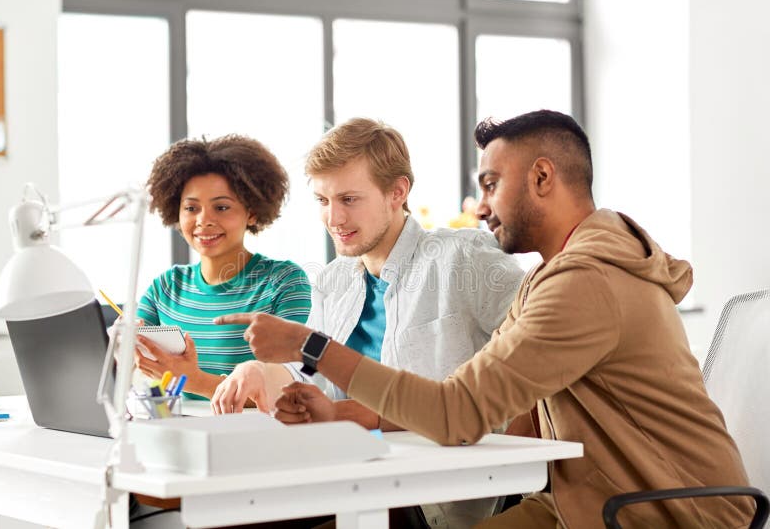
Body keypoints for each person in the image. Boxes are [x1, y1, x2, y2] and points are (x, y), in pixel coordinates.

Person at [218, 110, 753, 528]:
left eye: (492, 183)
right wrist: (342, 410)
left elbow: (457, 412)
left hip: (665, 513)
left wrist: (311, 346)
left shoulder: (585, 283)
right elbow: (468, 399)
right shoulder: (552, 278)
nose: (479, 205)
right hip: (585, 501)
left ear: (542, 177)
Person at [212, 117, 524, 527]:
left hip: (428, 497)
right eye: (323, 200)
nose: (333, 218)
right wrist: (259, 372)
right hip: (346, 477)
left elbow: (533, 369)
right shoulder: (332, 281)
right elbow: (312, 380)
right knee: (223, 512)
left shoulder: (463, 259)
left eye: (349, 199)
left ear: (397, 192)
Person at [133, 134, 311, 404]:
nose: (204, 220)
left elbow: (294, 385)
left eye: (222, 207)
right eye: (191, 208)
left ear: (251, 212)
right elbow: (143, 380)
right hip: (178, 425)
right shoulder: (164, 288)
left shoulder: (285, 283)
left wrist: (194, 381)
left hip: (251, 429)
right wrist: (127, 353)